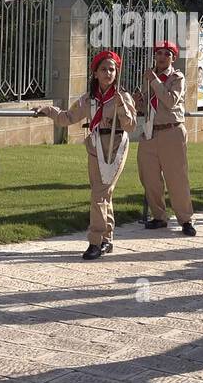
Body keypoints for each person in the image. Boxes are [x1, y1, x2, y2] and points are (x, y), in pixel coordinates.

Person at [36, 51, 137, 259]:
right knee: (103, 194)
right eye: (104, 69)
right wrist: (49, 110)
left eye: (112, 69)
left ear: (117, 72)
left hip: (116, 146)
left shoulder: (122, 96)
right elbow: (67, 118)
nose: (108, 73)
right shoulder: (89, 99)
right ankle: (107, 239)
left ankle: (96, 241)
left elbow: (131, 125)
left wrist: (122, 107)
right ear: (96, 74)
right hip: (95, 147)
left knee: (99, 193)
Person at [134, 40, 197, 236]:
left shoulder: (176, 77)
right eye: (159, 53)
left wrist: (154, 80)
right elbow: (149, 108)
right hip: (151, 132)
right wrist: (138, 102)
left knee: (176, 178)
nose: (162, 57)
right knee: (149, 177)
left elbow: (170, 101)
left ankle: (186, 219)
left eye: (166, 54)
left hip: (172, 131)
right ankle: (159, 216)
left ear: (173, 58)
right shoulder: (152, 78)